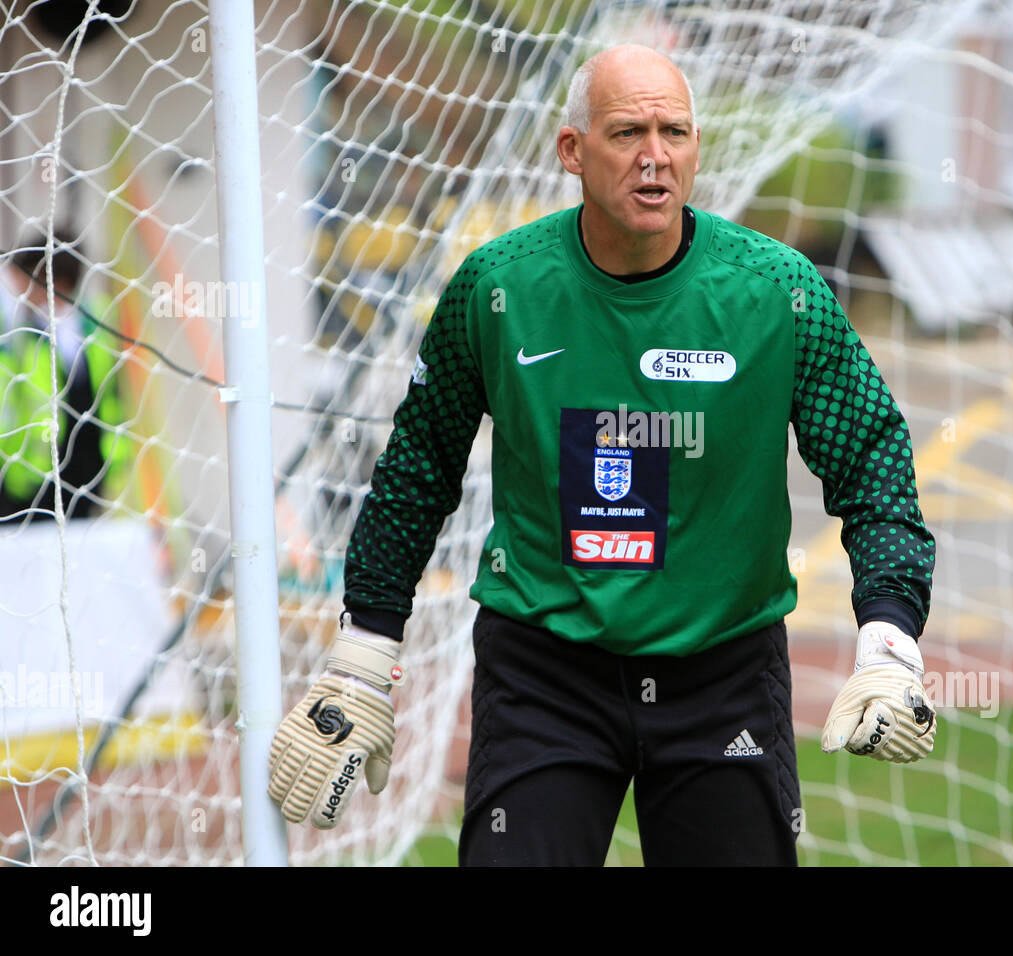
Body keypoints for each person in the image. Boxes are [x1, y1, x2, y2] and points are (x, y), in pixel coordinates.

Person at [268, 44, 938, 866]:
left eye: (675, 132)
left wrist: (890, 636)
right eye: (627, 133)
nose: (656, 156)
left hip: (720, 673)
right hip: (544, 675)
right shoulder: (496, 290)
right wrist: (365, 650)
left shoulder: (780, 292)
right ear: (572, 152)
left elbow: (872, 459)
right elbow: (418, 469)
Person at [0, 231, 131, 522]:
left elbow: (111, 394)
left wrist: (113, 461)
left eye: (25, 284)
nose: (19, 294)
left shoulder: (95, 323)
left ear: (56, 284)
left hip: (88, 469)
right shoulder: (16, 335)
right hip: (29, 477)